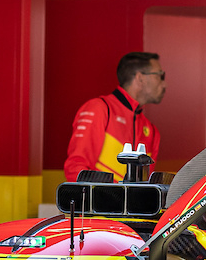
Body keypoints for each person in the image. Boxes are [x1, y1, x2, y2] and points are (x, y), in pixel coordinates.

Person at [63, 51, 165, 182]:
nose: (164, 84)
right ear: (140, 78)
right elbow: (75, 168)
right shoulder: (98, 109)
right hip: (96, 201)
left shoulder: (152, 131)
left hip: (131, 202)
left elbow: (146, 185)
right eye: (160, 76)